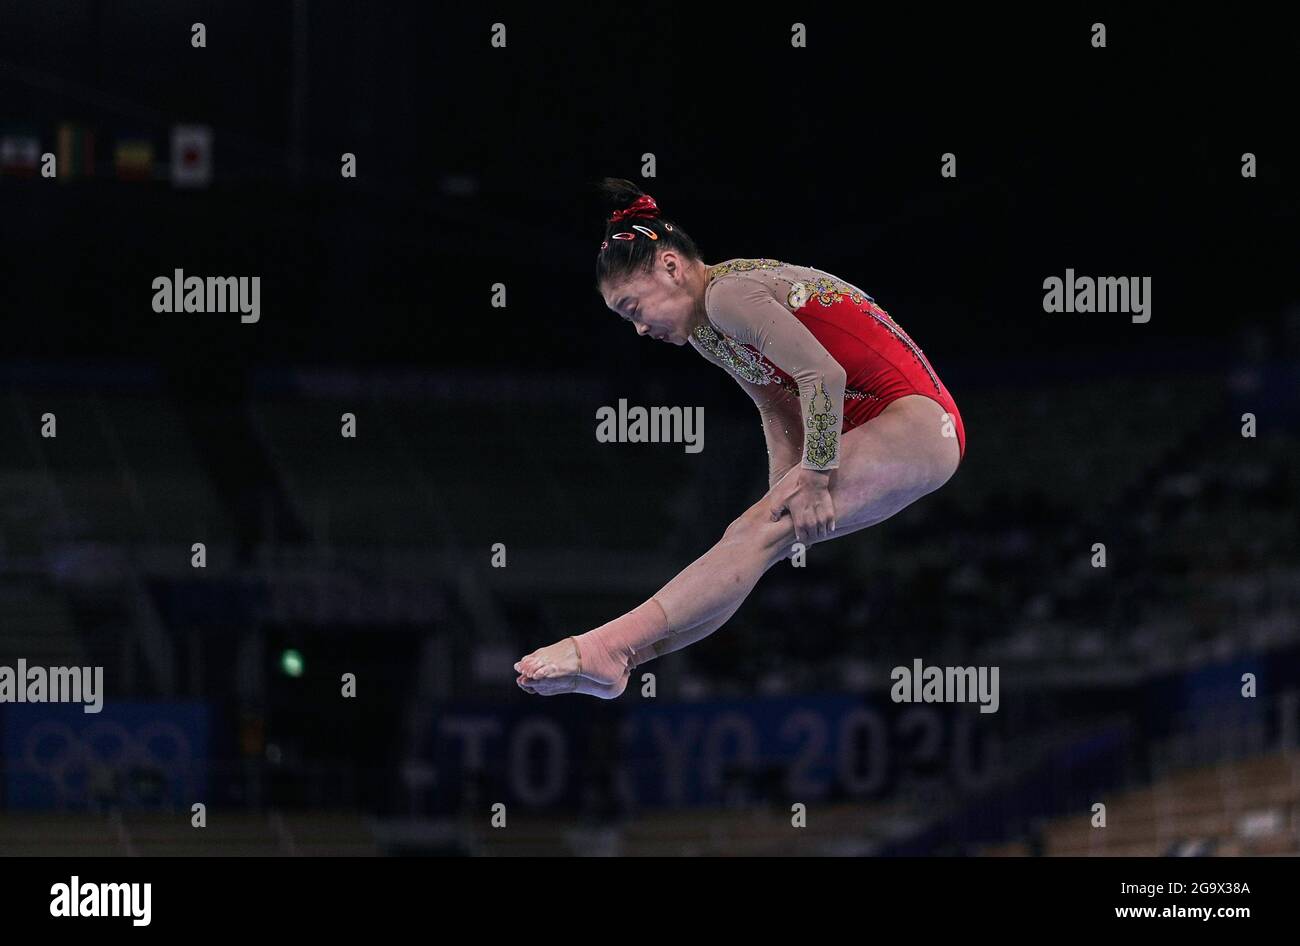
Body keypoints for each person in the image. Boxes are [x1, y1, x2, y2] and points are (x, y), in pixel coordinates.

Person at [516, 178, 966, 697]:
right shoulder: (707, 331)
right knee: (751, 538)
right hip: (875, 418)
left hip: (917, 419)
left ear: (670, 267)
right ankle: (625, 659)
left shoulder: (728, 295)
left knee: (757, 534)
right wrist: (782, 489)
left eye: (634, 309)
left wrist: (815, 479)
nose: (638, 331)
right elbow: (777, 404)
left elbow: (822, 376)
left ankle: (606, 646)